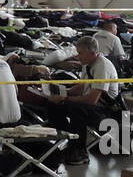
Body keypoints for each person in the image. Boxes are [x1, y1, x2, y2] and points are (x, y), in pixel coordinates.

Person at [47, 36, 123, 165]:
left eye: (80, 53)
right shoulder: (87, 63)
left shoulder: (102, 66)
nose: (77, 56)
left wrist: (66, 98)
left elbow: (92, 99)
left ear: (92, 53)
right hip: (94, 107)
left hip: (107, 111)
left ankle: (80, 151)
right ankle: (67, 139)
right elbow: (82, 86)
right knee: (53, 104)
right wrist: (62, 91)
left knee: (76, 108)